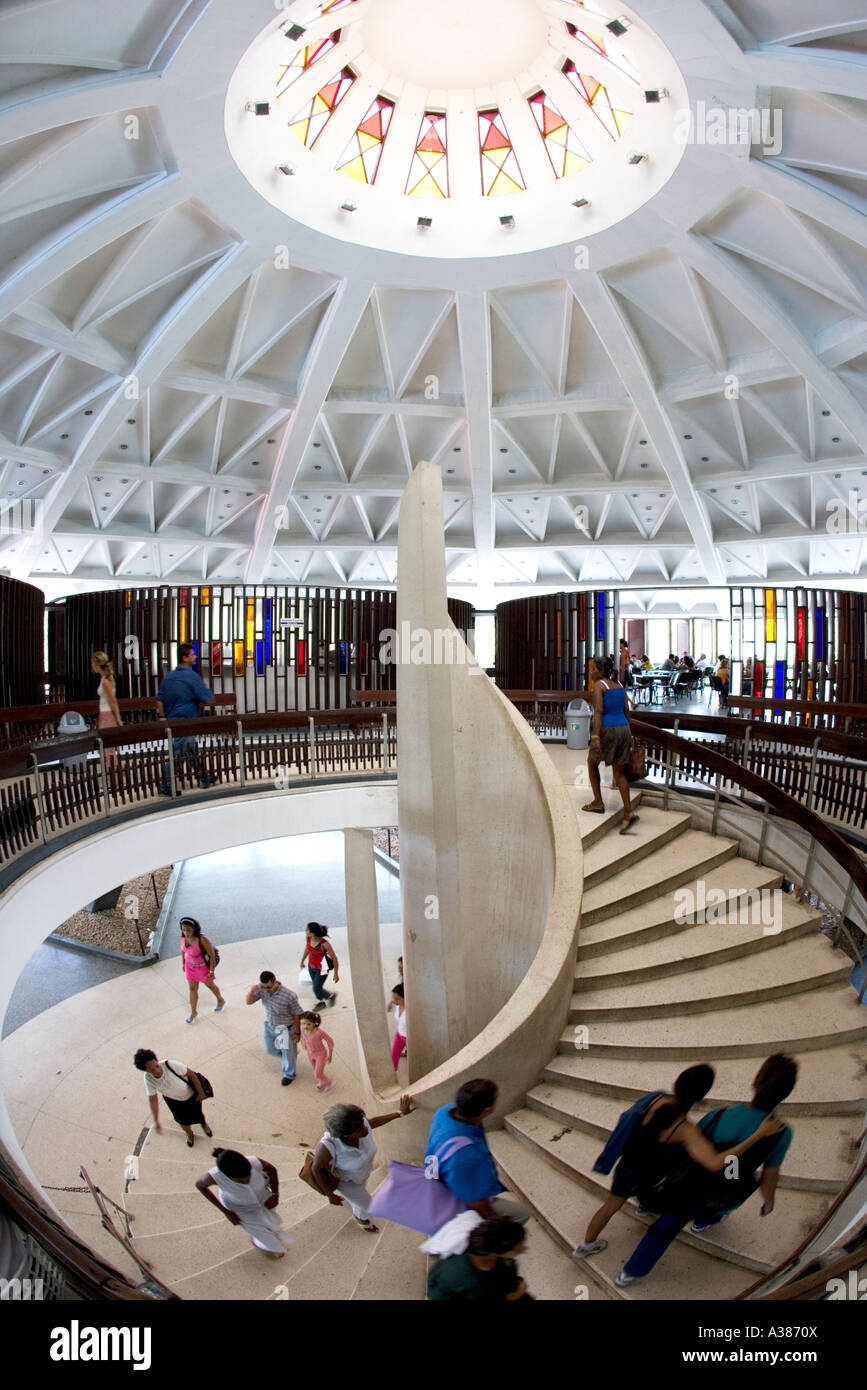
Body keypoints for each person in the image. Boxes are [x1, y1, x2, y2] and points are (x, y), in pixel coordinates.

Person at [612, 1065, 788, 1287]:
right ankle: (704, 1221)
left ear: (756, 1083)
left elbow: (688, 1151)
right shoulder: (782, 1133)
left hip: (692, 1183)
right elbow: (770, 1174)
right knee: (722, 1201)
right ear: (784, 1095)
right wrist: (769, 1200)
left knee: (666, 1226)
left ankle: (631, 1272)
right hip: (728, 1179)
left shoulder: (717, 1116)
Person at [572, 1064, 714, 1258]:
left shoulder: (655, 1098)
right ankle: (588, 1243)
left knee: (610, 1206)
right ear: (700, 1097)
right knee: (616, 1205)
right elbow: (713, 1162)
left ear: (677, 1083)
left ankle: (587, 1245)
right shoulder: (685, 1129)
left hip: (627, 1167)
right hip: (647, 1177)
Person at [426, 1079, 531, 1223]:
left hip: (439, 1183)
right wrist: (496, 1226)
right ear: (486, 1111)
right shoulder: (466, 1157)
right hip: (454, 1200)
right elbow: (476, 1204)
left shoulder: (444, 1112)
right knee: (522, 1214)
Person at [311, 1095, 415, 1232]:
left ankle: (360, 1215)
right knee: (369, 1205)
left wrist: (399, 1113)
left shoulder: (359, 1123)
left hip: (362, 1173)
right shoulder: (328, 1147)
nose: (365, 1128)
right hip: (346, 1182)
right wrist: (329, 1194)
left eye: (362, 1122)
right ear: (345, 1135)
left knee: (360, 1202)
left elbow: (372, 1122)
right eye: (359, 1129)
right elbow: (316, 1169)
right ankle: (362, 1218)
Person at [196, 1149, 291, 1257]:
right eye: (241, 1181)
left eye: (249, 1176)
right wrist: (226, 1212)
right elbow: (200, 1186)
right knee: (257, 1229)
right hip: (239, 1208)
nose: (247, 1181)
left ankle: (271, 1236)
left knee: (270, 1220)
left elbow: (272, 1170)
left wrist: (275, 1194)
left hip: (261, 1198)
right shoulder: (215, 1176)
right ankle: (264, 1243)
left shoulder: (254, 1162)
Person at [582, 654, 638, 833]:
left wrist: (596, 737)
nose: (591, 672)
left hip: (608, 730)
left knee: (592, 764)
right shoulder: (619, 685)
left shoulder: (600, 685)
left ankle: (598, 802)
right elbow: (626, 709)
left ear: (601, 671)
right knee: (620, 772)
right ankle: (628, 812)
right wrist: (630, 733)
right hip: (624, 728)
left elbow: (598, 711)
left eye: (593, 669)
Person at [156, 642, 214, 796]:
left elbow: (160, 700)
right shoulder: (191, 676)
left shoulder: (168, 677)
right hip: (187, 721)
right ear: (185, 657)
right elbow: (207, 698)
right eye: (192, 654)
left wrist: (162, 716)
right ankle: (167, 784)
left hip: (172, 721)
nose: (195, 656)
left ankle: (204, 777)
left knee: (190, 749)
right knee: (178, 753)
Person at [427, 1219, 533, 1301]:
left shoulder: (477, 1249)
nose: (525, 1249)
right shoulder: (473, 1280)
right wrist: (512, 1296)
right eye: (518, 1248)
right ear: (497, 1251)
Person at [134, 1048, 212, 1148]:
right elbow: (153, 1100)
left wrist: (201, 1093)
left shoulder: (170, 1065)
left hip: (191, 1095)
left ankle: (204, 1125)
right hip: (173, 1101)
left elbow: (191, 1075)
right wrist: (156, 1119)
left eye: (157, 1066)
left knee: (198, 1114)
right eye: (152, 1070)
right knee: (181, 1121)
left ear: (157, 1061)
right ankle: (189, 1134)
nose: (157, 1070)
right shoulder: (148, 1080)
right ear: (146, 1071)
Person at [246, 970, 303, 1085]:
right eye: (264, 987)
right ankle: (291, 1055)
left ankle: (289, 1074)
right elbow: (249, 1002)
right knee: (270, 1049)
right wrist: (251, 992)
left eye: (268, 987)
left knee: (287, 1054)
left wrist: (298, 1033)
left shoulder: (289, 995)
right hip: (270, 1026)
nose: (266, 990)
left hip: (285, 1028)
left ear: (275, 982)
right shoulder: (261, 990)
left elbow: (296, 1014)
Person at [180, 916, 225, 1022]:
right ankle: (193, 1012)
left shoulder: (202, 939)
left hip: (202, 968)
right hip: (190, 967)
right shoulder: (183, 937)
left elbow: (212, 955)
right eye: (183, 929)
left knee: (210, 985)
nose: (186, 932)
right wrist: (183, 963)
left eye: (189, 930)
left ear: (194, 929)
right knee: (192, 989)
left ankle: (220, 999)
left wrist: (211, 971)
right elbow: (183, 950)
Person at [92, 651, 122, 768]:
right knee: (106, 747)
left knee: (108, 748)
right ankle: (111, 776)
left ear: (97, 664)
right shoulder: (105, 678)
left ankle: (111, 777)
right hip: (105, 714)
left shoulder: (106, 680)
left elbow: (113, 700)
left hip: (108, 715)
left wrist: (118, 719)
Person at [300, 922, 338, 1007]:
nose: (305, 931)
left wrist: (336, 974)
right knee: (316, 987)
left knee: (316, 988)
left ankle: (330, 996)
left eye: (307, 930)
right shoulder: (309, 938)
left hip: (322, 970)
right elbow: (307, 949)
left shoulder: (324, 944)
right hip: (311, 967)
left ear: (312, 932)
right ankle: (322, 1001)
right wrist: (302, 960)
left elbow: (334, 958)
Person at [300, 1010, 335, 1093]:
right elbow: (302, 1036)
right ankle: (322, 1081)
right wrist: (303, 1042)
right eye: (303, 1023)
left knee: (317, 1074)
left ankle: (329, 1083)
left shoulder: (319, 1033)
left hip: (321, 1055)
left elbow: (330, 1042)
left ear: (314, 1023)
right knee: (316, 1070)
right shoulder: (303, 1029)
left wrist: (330, 1056)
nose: (305, 1026)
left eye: (308, 1024)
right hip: (310, 1054)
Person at [389, 983, 406, 1072]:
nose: (395, 1001)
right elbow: (394, 1001)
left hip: (408, 1038)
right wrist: (391, 1002)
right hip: (399, 1035)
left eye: (398, 999)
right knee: (393, 1057)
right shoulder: (398, 1005)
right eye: (393, 998)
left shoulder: (409, 1011)